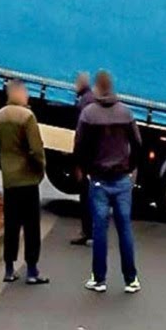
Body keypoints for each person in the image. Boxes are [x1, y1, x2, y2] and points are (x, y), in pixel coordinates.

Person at [74, 70, 142, 294]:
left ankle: (99, 279)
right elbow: (138, 144)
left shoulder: (88, 113)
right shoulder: (126, 112)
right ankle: (131, 279)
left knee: (100, 229)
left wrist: (85, 169)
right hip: (122, 179)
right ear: (111, 87)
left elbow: (80, 146)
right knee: (125, 229)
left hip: (99, 180)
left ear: (97, 87)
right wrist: (130, 167)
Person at [0, 79, 49, 285]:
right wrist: (40, 169)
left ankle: (9, 268)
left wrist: (4, 167)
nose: (28, 95)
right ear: (20, 94)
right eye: (26, 92)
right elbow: (36, 149)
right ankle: (32, 270)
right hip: (27, 179)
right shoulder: (27, 117)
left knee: (11, 225)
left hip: (10, 180)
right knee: (32, 226)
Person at [71, 71, 95, 246]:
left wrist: (78, 163)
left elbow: (81, 136)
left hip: (87, 159)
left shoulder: (83, 104)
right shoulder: (95, 101)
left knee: (86, 197)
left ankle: (87, 233)